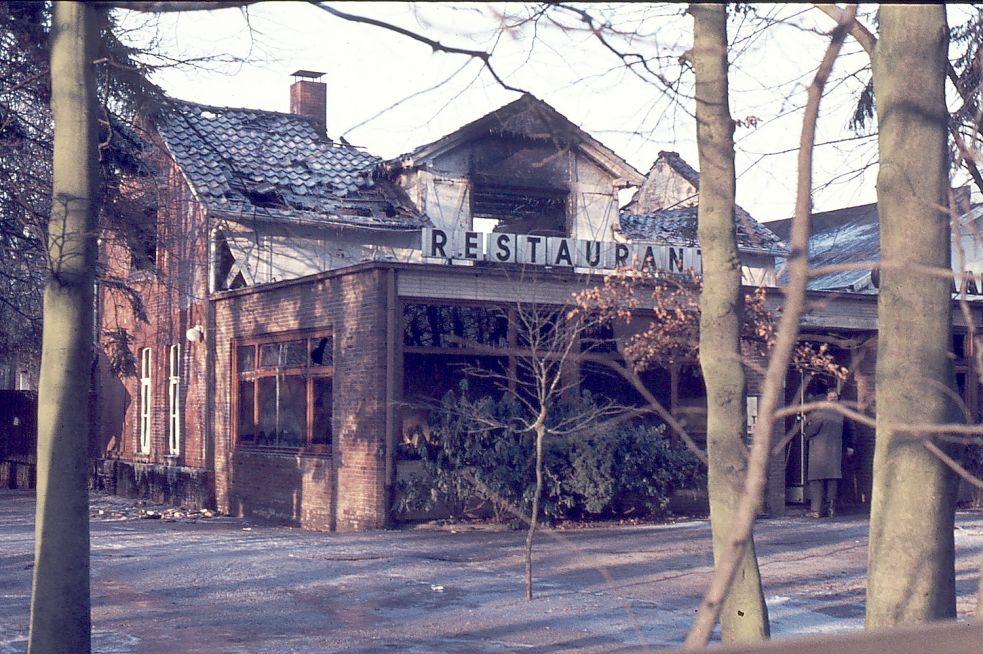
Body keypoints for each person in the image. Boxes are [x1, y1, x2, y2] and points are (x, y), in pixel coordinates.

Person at [803, 390, 851, 517]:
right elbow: (849, 429)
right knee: (832, 480)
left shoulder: (820, 414)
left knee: (816, 480)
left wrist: (804, 430)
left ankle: (816, 510)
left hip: (819, 452)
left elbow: (812, 431)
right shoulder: (841, 413)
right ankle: (831, 508)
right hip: (834, 451)